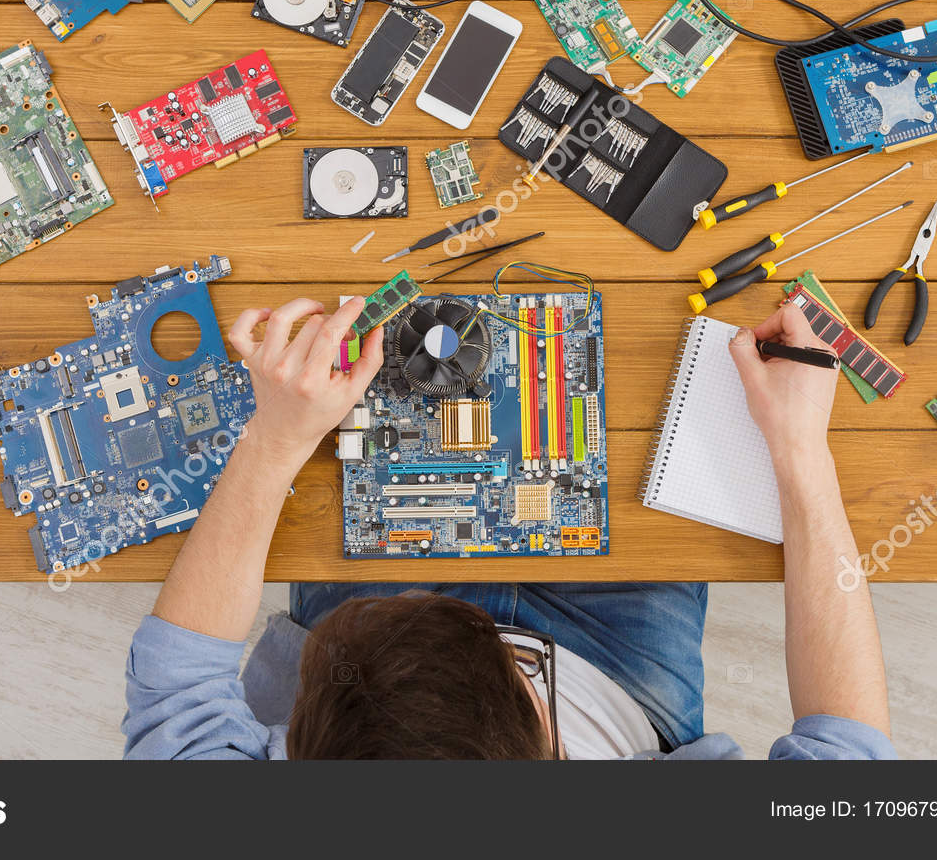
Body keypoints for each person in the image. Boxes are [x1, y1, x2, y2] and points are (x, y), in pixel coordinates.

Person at [121, 295, 894, 759]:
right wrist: (800, 452)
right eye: (520, 672)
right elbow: (848, 747)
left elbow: (177, 680)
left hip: (374, 610)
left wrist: (276, 441)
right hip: (621, 675)